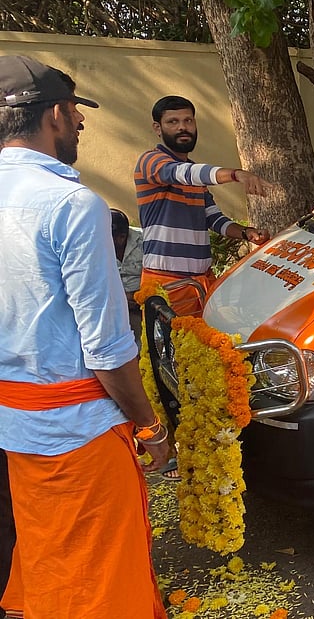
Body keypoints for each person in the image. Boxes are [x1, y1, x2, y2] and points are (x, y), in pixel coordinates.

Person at [0, 54, 171, 617]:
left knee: (50, 566)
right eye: (75, 111)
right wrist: (150, 427)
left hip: (17, 430)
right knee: (100, 588)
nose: (81, 123)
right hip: (78, 432)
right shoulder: (72, 205)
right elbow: (106, 349)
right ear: (53, 114)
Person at [134, 95, 273, 316]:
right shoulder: (151, 161)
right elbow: (180, 173)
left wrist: (247, 233)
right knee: (170, 349)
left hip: (202, 283)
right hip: (167, 285)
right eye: (173, 122)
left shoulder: (194, 174)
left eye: (188, 121)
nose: (182, 127)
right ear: (157, 128)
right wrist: (236, 174)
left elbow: (214, 219)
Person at [111, 208, 145, 332]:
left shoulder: (144, 240)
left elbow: (155, 273)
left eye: (122, 236)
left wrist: (135, 296)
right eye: (113, 237)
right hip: (113, 306)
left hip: (141, 303)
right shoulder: (95, 245)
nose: (117, 241)